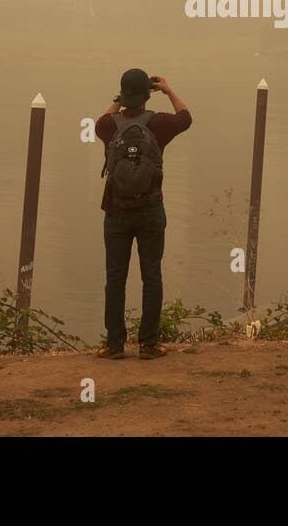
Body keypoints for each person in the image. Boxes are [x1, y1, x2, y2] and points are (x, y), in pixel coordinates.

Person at [95, 68, 192, 360]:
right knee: (151, 276)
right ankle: (148, 344)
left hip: (116, 211)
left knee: (115, 278)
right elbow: (186, 118)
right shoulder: (159, 123)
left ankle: (114, 345)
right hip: (151, 210)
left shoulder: (108, 126)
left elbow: (102, 120)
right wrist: (168, 89)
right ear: (147, 95)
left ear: (123, 95)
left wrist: (118, 100)